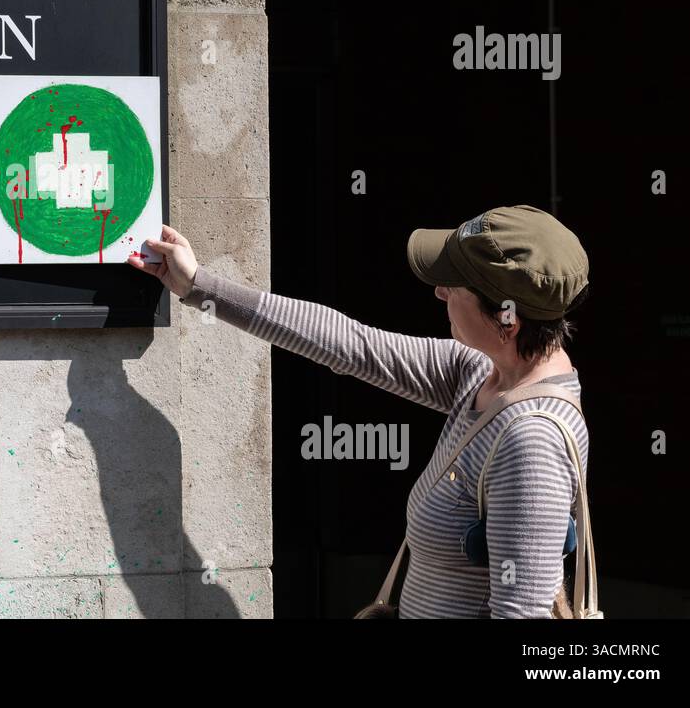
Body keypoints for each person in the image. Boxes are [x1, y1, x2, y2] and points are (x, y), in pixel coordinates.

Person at [128, 205, 592, 618]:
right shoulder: (479, 372)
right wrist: (199, 286)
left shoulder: (531, 442)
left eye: (455, 284)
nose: (439, 293)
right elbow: (353, 345)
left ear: (506, 319)